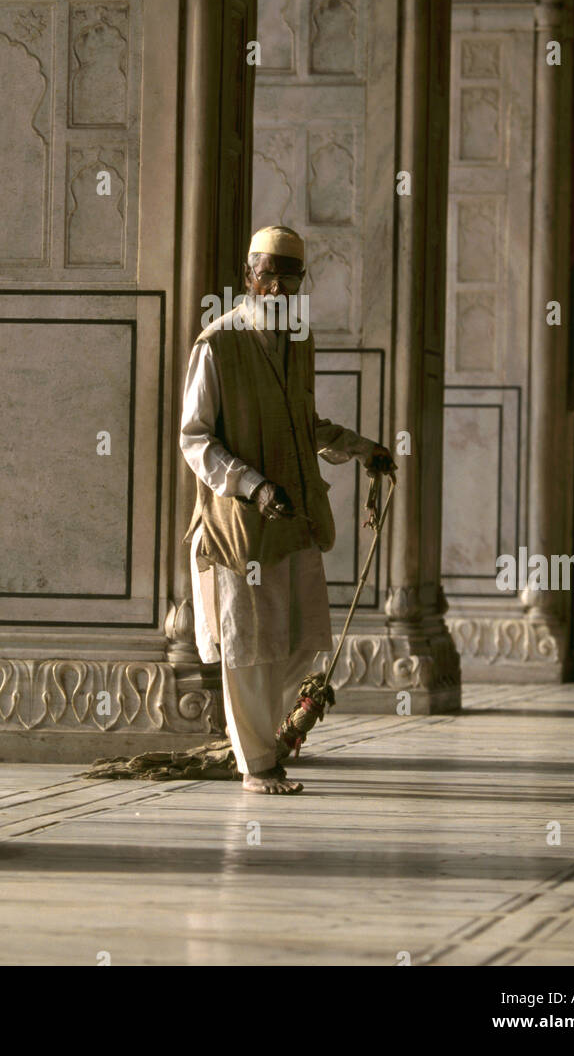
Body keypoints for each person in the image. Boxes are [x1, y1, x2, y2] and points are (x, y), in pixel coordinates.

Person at [179, 225, 395, 794]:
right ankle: (258, 765)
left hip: (295, 520)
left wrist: (361, 449)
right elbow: (195, 439)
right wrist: (252, 486)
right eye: (265, 274)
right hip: (240, 527)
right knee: (248, 647)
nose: (275, 287)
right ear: (248, 277)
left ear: (302, 283)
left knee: (302, 640)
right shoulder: (217, 342)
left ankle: (260, 739)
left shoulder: (298, 341)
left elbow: (305, 426)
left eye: (288, 276)